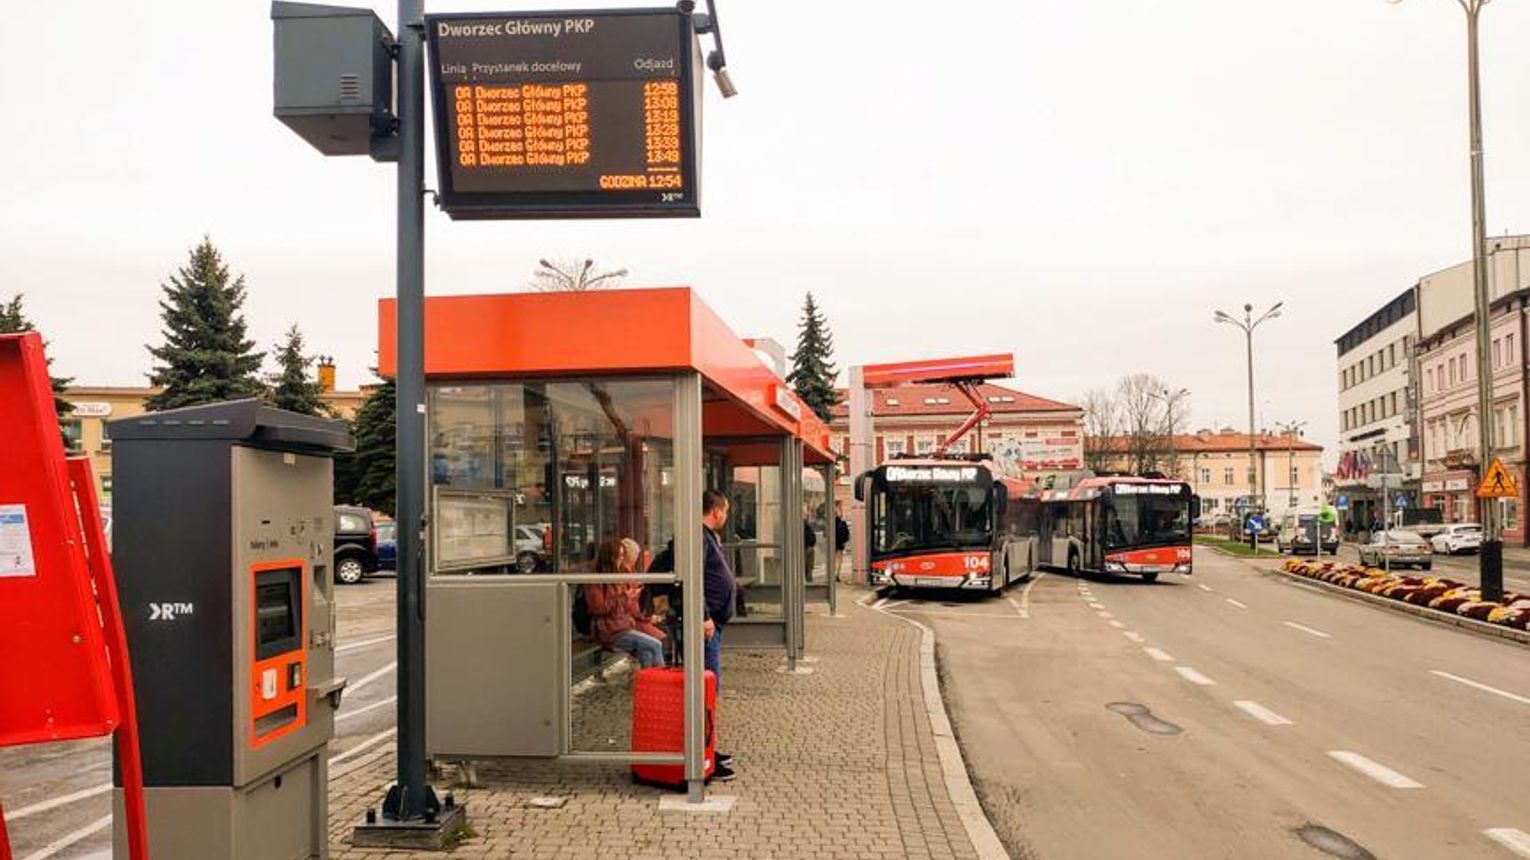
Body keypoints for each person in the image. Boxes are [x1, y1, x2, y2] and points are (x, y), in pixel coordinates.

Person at [700, 488, 738, 781]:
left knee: (711, 689)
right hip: (706, 625)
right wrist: (704, 616)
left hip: (714, 623)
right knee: (706, 691)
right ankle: (704, 757)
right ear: (716, 511)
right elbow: (694, 577)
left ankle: (709, 749)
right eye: (724, 510)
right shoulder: (700, 537)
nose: (725, 516)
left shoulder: (709, 537)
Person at [583, 537, 666, 669]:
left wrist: (629, 597)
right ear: (610, 557)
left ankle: (649, 685)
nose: (621, 559)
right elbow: (598, 608)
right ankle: (662, 682)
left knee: (647, 653)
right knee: (655, 644)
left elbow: (625, 606)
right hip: (610, 630)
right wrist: (623, 597)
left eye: (623, 555)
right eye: (619, 556)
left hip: (623, 625)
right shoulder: (596, 579)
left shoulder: (616, 575)